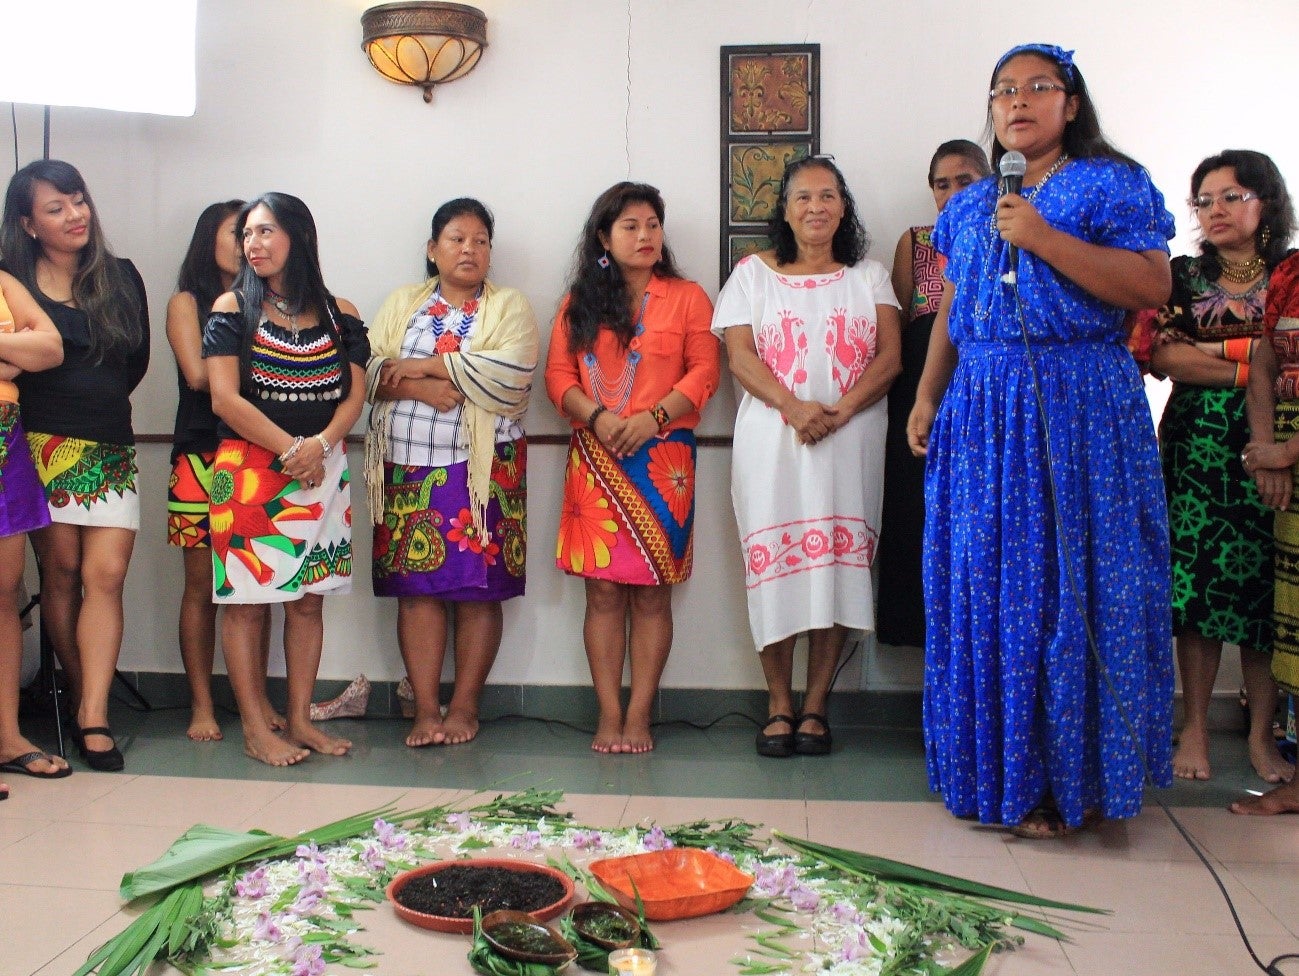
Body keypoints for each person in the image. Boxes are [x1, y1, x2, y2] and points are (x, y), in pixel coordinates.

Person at [906, 43, 1176, 836]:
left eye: (1036, 87)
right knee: (991, 588)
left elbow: (1152, 285)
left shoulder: (1111, 182)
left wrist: (1043, 238)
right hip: (983, 408)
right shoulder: (968, 203)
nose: (1016, 102)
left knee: (1073, 588)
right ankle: (997, 774)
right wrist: (927, 393)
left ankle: (1072, 781)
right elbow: (952, 307)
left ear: (1071, 102)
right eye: (1001, 92)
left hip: (1078, 404)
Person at [712, 156, 901, 758]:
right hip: (774, 441)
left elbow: (890, 359)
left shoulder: (868, 275)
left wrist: (839, 411)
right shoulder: (751, 275)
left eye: (827, 196)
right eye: (802, 197)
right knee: (774, 568)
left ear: (843, 207)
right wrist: (795, 408)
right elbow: (740, 358)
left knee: (838, 573)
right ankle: (777, 703)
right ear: (785, 210)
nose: (815, 207)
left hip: (852, 438)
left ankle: (816, 704)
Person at [545, 182, 719, 754]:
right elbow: (558, 378)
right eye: (630, 226)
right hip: (595, 456)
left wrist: (652, 417)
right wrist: (596, 417)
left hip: (664, 457)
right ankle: (607, 714)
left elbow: (704, 373)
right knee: (601, 595)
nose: (645, 236)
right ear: (604, 236)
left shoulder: (689, 297)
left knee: (652, 596)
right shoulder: (578, 303)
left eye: (652, 225)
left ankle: (640, 716)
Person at [365, 198, 538, 747]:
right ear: (432, 249)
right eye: (457, 239)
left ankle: (464, 707)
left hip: (485, 468)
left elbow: (510, 373)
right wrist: (424, 388)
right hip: (406, 464)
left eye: (481, 240)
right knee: (416, 590)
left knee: (478, 591)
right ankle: (424, 710)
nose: (470, 249)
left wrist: (415, 366)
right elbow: (369, 369)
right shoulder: (402, 303)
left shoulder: (509, 305)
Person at [204, 192, 369, 767]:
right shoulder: (231, 308)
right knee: (248, 603)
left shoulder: (338, 311)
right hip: (250, 476)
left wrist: (320, 446)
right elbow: (224, 398)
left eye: (266, 231)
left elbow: (355, 391)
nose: (253, 244)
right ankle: (256, 726)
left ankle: (299, 718)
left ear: (299, 236)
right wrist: (293, 448)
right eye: (247, 234)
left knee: (307, 602)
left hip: (323, 472)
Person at [1146, 151, 1295, 784]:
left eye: (1231, 196)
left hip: (1279, 444)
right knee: (1196, 588)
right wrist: (1252, 362)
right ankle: (1196, 727)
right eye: (1204, 200)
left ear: (1265, 202)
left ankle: (1261, 734)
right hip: (1195, 447)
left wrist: (1211, 349)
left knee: (1263, 589)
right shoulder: (1179, 276)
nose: (1215, 210)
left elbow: (1280, 351)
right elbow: (1163, 356)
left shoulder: (1289, 276)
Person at [0, 159, 151, 773]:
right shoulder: (13, 280)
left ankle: (94, 715)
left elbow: (135, 359)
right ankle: (72, 690)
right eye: (56, 207)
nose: (75, 215)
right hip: (36, 443)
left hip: (108, 441)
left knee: (106, 575)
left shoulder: (121, 276)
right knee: (59, 575)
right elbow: (16, 366)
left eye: (79, 200)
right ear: (29, 223)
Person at [166, 200, 279, 742]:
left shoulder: (273, 301)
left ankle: (255, 703)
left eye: (254, 232)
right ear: (205, 241)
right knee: (200, 589)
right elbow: (197, 377)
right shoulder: (187, 302)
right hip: (200, 456)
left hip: (256, 455)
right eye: (235, 232)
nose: (245, 242)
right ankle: (202, 705)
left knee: (260, 585)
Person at [879, 140, 990, 649]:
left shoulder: (1008, 236)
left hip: (988, 395)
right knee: (920, 518)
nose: (951, 193)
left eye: (963, 181)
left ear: (989, 180)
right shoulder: (917, 242)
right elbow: (905, 324)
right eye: (941, 184)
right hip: (922, 397)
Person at [0, 270, 68, 793]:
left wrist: (18, 353)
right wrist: (10, 352)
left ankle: (7, 737)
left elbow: (49, 347)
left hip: (5, 431)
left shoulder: (3, 280)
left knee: (4, 592)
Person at [1237, 250, 1299, 814]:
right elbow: (1263, 362)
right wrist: (1266, 454)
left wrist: (1287, 450)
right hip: (1284, 453)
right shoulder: (1290, 272)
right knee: (1294, 621)